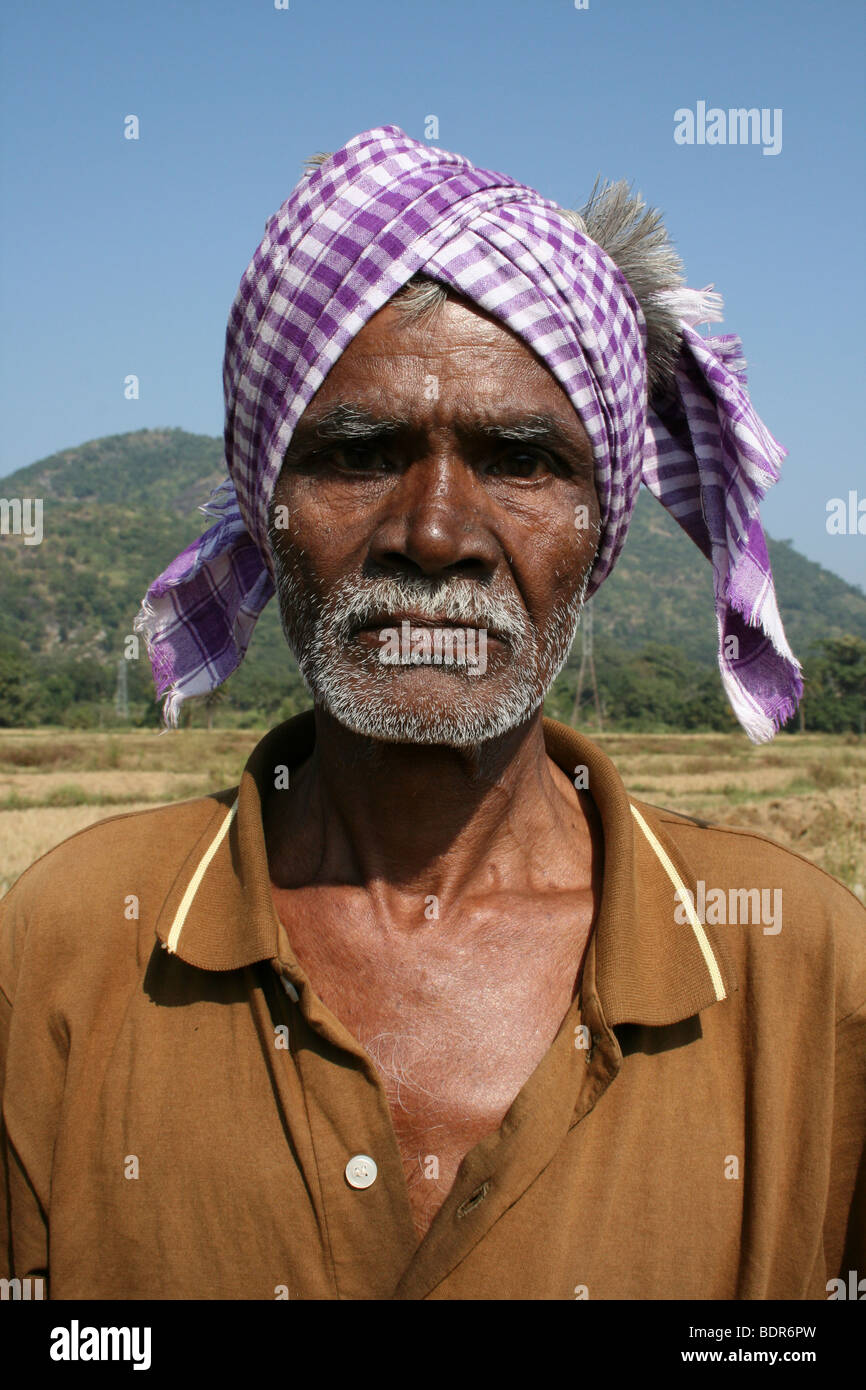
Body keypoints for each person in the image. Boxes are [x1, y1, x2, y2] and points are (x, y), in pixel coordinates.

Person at [1, 126, 863, 1301]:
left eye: (518, 460)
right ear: (265, 506)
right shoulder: (65, 950)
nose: (436, 533)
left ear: (598, 531)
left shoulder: (800, 970)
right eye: (360, 454)